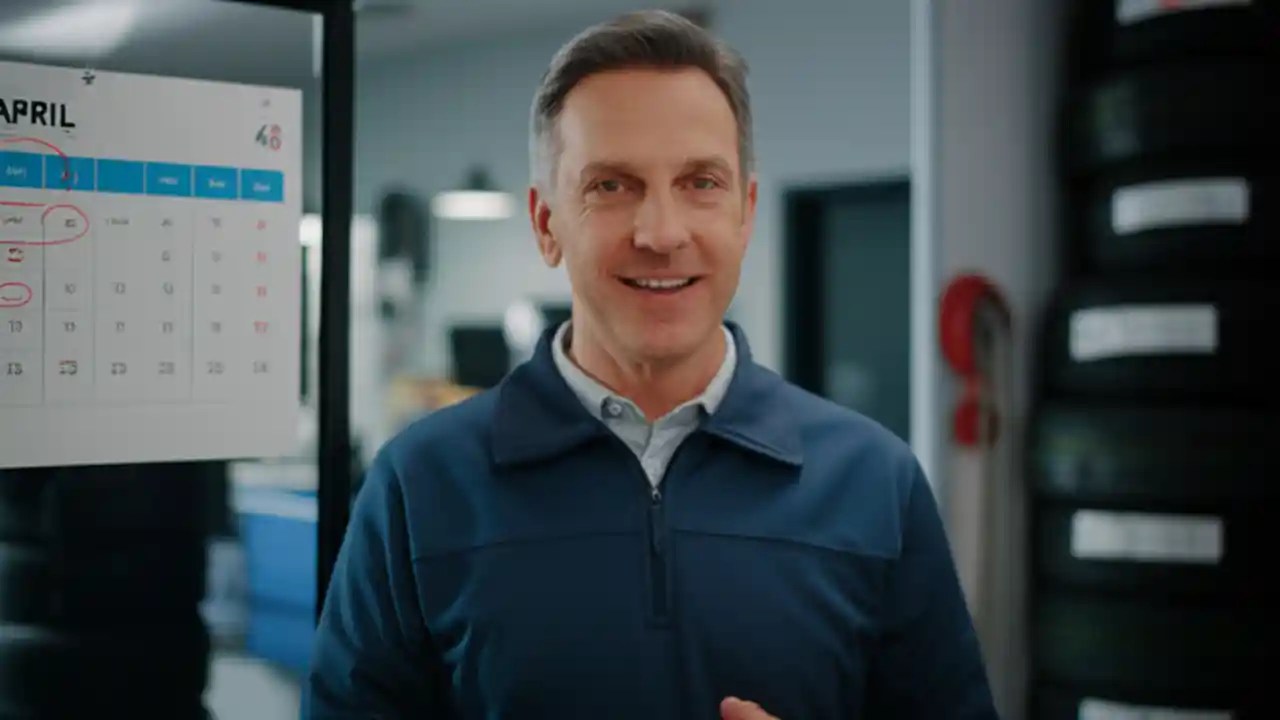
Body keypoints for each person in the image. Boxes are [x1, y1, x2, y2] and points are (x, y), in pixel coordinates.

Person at [304, 9, 998, 719]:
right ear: (547, 224)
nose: (662, 233)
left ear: (746, 213)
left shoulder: (875, 484)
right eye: (612, 185)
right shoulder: (420, 488)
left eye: (701, 182)